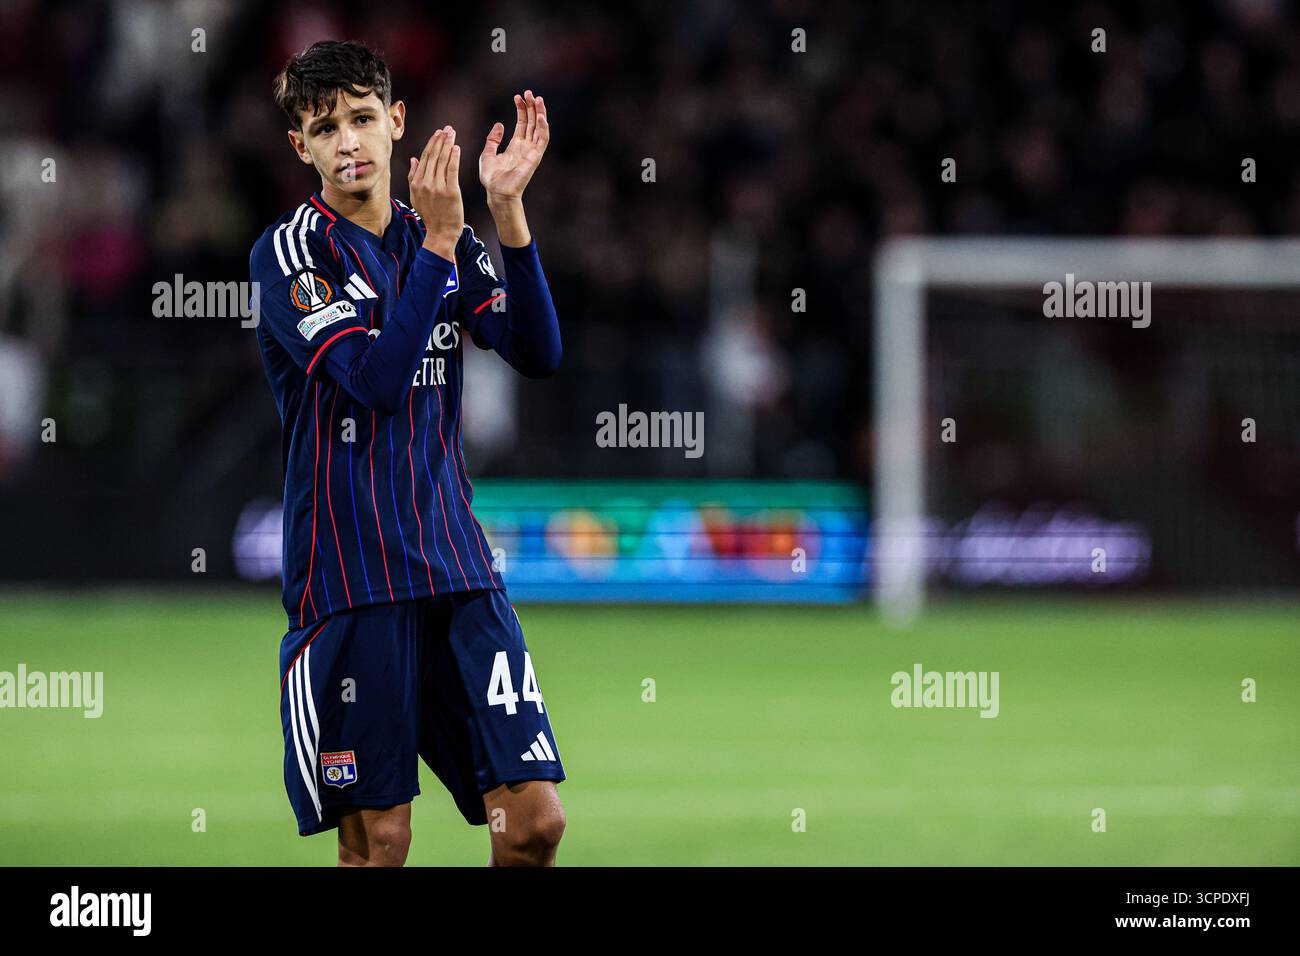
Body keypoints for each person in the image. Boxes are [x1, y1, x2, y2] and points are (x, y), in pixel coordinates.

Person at [248, 39, 565, 866]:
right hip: (350, 584)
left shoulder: (443, 236)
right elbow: (376, 381)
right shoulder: (293, 257)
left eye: (360, 119)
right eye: (325, 129)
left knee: (533, 826)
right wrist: (439, 250)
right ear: (302, 148)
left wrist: (508, 216)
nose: (347, 142)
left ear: (394, 122)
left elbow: (537, 352)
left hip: (456, 572)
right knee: (380, 846)